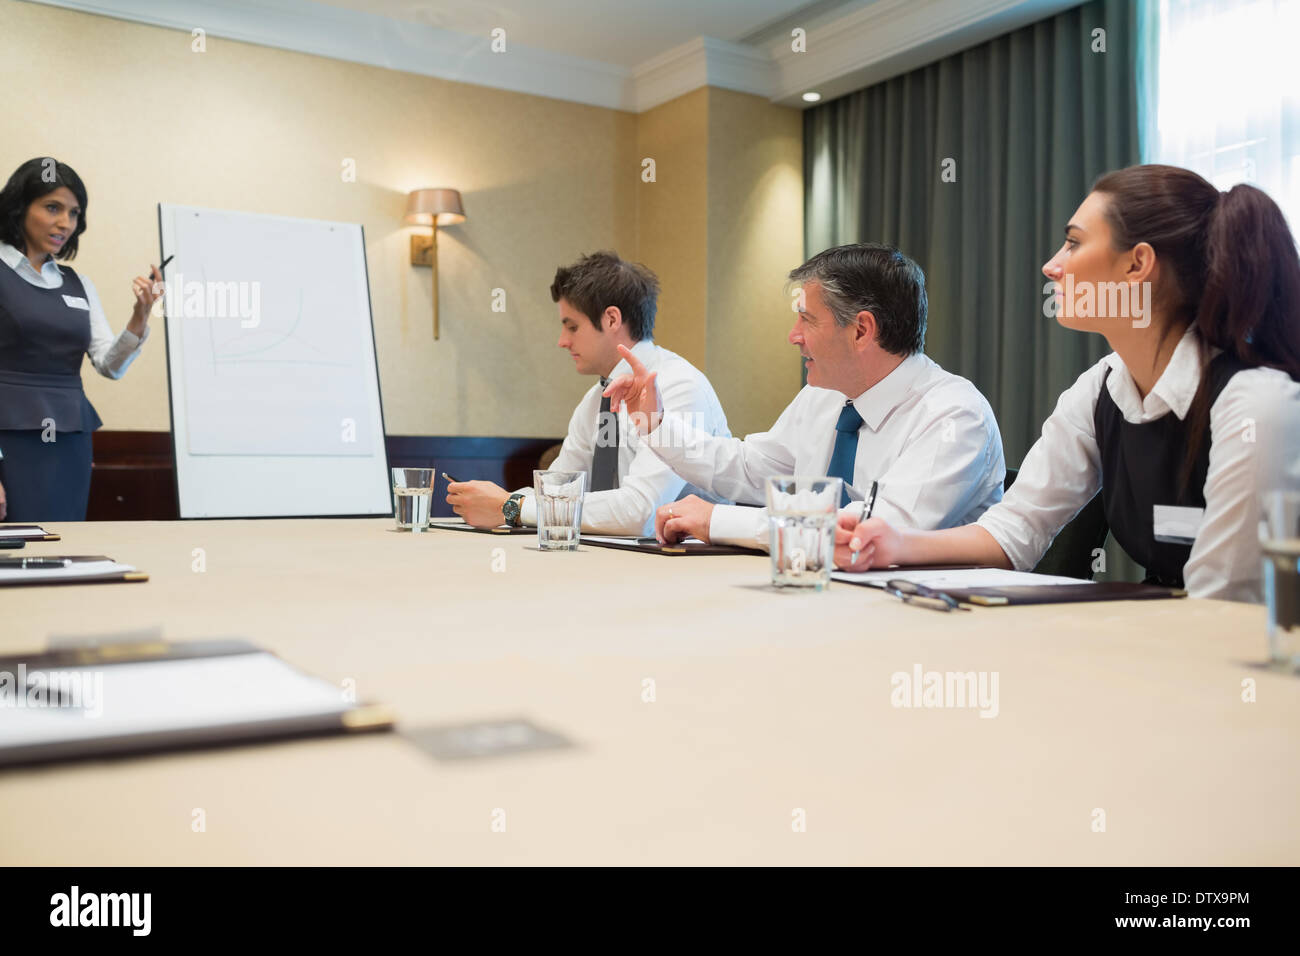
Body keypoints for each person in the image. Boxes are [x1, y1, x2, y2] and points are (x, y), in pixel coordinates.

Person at [837, 164, 1300, 603]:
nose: (1051, 266)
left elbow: (1224, 602)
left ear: (1137, 264)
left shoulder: (1255, 405)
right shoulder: (1101, 389)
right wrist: (895, 545)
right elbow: (1015, 530)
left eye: (1074, 244)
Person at [604, 243, 1005, 548]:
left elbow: (868, 532)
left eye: (806, 319)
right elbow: (747, 468)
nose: (792, 335)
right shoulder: (826, 396)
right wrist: (655, 425)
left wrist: (719, 522)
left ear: (862, 330)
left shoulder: (954, 415)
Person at [446, 250, 730, 535]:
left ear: (611, 319)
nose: (562, 341)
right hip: (620, 557)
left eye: (572, 327)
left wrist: (511, 507)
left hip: (692, 563)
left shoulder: (679, 387)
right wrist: (499, 502)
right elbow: (556, 489)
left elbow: (640, 514)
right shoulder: (596, 399)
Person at [0, 158, 162, 522]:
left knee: (62, 549)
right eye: (52, 207)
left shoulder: (79, 284)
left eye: (74, 213)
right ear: (19, 207)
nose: (65, 224)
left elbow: (109, 365)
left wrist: (140, 315)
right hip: (8, 441)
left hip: (69, 441)